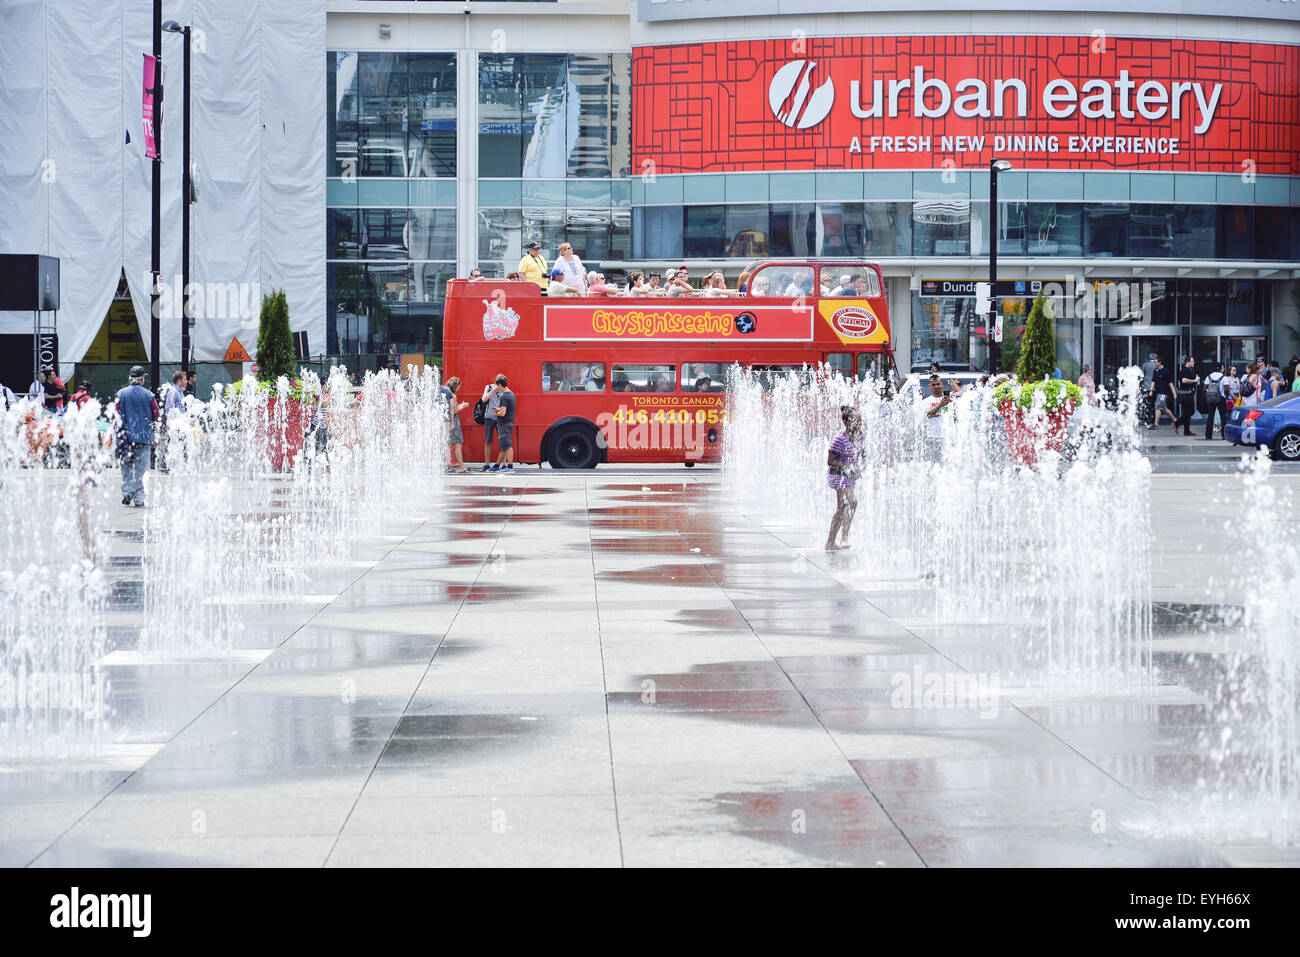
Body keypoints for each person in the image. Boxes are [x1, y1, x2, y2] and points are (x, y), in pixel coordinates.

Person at [115, 365, 159, 507]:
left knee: (126, 466)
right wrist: (156, 435)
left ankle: (127, 493)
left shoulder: (121, 394)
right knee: (140, 470)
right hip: (144, 437)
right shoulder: (148, 395)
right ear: (143, 379)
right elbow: (156, 414)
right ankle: (139, 498)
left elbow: (115, 414)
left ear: (130, 377)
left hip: (125, 437)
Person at [825, 406, 864, 551]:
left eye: (860, 420)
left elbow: (864, 455)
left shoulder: (861, 435)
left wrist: (860, 468)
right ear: (846, 422)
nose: (859, 423)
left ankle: (830, 542)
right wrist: (847, 467)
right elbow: (830, 461)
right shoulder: (839, 439)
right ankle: (844, 538)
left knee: (841, 509)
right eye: (856, 420)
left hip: (850, 476)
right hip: (838, 476)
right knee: (852, 502)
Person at [488, 374, 516, 474]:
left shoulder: (504, 397)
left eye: (496, 386)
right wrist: (499, 409)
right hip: (509, 422)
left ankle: (510, 466)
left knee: (507, 446)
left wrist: (497, 412)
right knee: (503, 447)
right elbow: (507, 410)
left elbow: (503, 413)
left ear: (500, 385)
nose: (496, 388)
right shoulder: (511, 394)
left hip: (504, 424)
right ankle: (496, 465)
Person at [442, 376, 470, 473]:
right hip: (453, 422)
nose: (459, 388)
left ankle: (448, 465)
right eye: (459, 386)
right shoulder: (453, 396)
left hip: (445, 421)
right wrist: (463, 406)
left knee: (447, 444)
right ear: (455, 386)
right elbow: (454, 410)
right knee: (458, 444)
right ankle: (462, 467)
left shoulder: (444, 393)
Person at [1202, 362, 1228, 440]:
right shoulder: (1224, 377)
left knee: (1210, 417)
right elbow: (1227, 389)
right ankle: (1224, 435)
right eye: (1223, 368)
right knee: (1223, 417)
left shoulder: (1209, 377)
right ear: (1220, 368)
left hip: (1211, 398)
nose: (1223, 369)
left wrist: (1209, 393)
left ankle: (1208, 435)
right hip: (1221, 398)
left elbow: (1205, 388)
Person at [1174, 356, 1199, 436]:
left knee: (1187, 412)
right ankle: (1176, 423)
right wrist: (1195, 380)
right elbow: (1184, 380)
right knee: (1190, 411)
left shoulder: (1189, 370)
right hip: (1186, 394)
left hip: (1188, 393)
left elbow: (1179, 381)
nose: (1193, 363)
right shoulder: (1185, 370)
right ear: (1187, 362)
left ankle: (1186, 430)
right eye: (1192, 361)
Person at [1150, 356, 1176, 429]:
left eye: (1155, 362)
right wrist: (1151, 390)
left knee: (1157, 406)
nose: (1154, 363)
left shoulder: (1165, 371)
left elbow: (1170, 382)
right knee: (1164, 408)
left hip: (1163, 393)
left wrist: (1174, 393)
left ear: (1159, 362)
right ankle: (1175, 420)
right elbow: (1153, 381)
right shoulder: (1156, 371)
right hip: (1158, 392)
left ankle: (1156, 424)